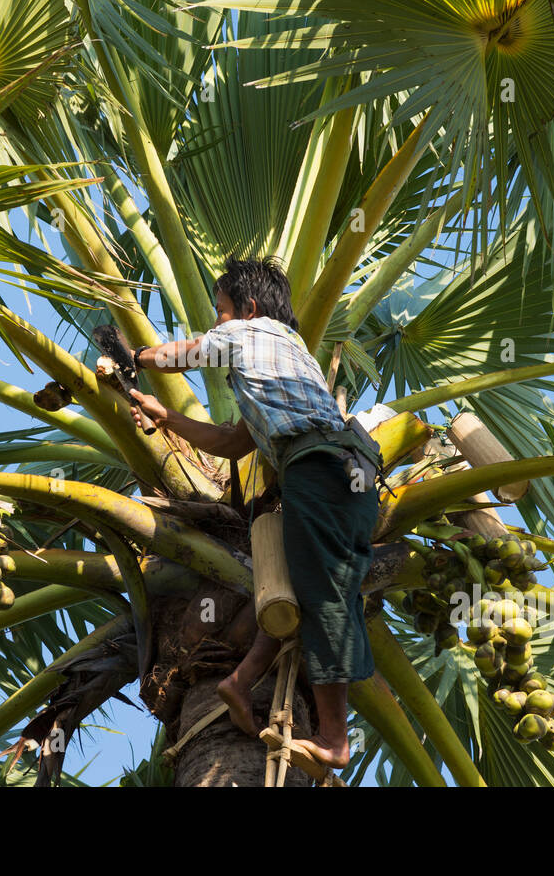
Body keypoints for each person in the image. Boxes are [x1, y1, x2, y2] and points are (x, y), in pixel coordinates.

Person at [126, 257, 381, 769]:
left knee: (322, 592)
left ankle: (334, 741)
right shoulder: (287, 360)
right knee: (312, 588)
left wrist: (134, 357)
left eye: (220, 311)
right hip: (353, 473)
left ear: (250, 307)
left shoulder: (250, 332)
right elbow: (230, 443)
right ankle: (239, 683)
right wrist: (166, 416)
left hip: (317, 467)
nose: (217, 322)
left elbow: (187, 353)